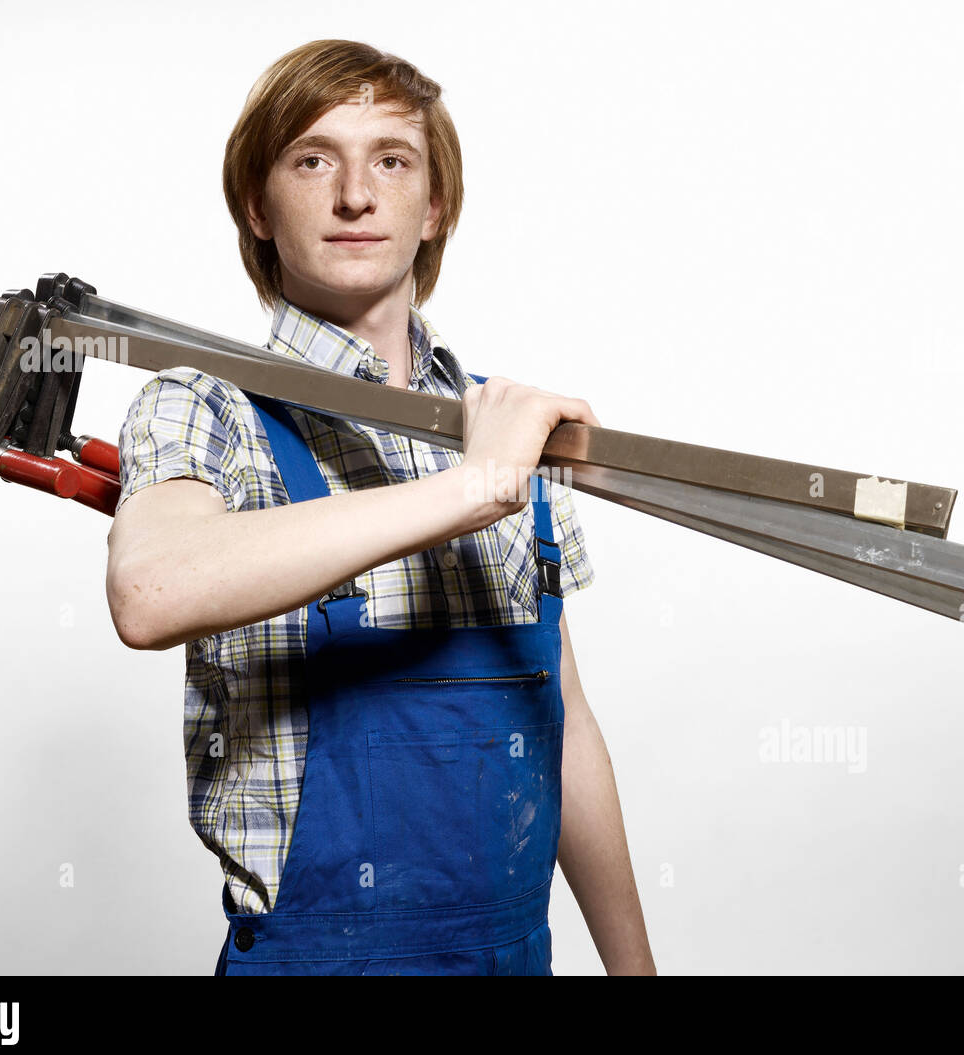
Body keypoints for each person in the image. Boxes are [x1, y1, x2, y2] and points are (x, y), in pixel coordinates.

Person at [105, 39, 654, 975]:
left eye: (391, 160)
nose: (355, 195)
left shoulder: (504, 427)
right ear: (256, 205)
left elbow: (562, 713)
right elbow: (151, 589)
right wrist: (469, 491)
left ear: (433, 205)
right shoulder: (205, 405)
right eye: (313, 159)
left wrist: (635, 972)